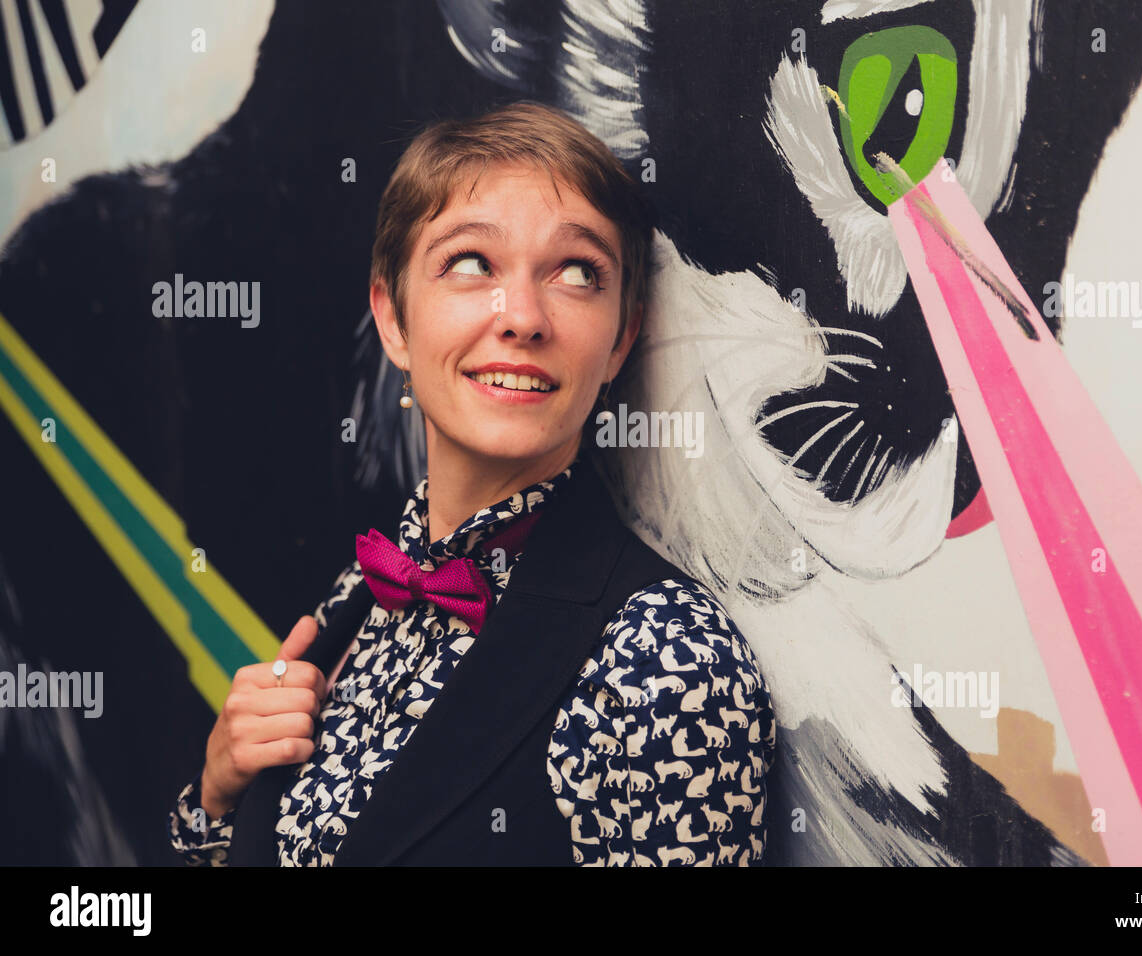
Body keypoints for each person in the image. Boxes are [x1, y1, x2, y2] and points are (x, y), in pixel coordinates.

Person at [166, 100, 776, 866]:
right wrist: (218, 797)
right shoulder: (359, 589)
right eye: (470, 263)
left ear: (622, 337)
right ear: (394, 321)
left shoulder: (670, 661)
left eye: (578, 272)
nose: (521, 315)